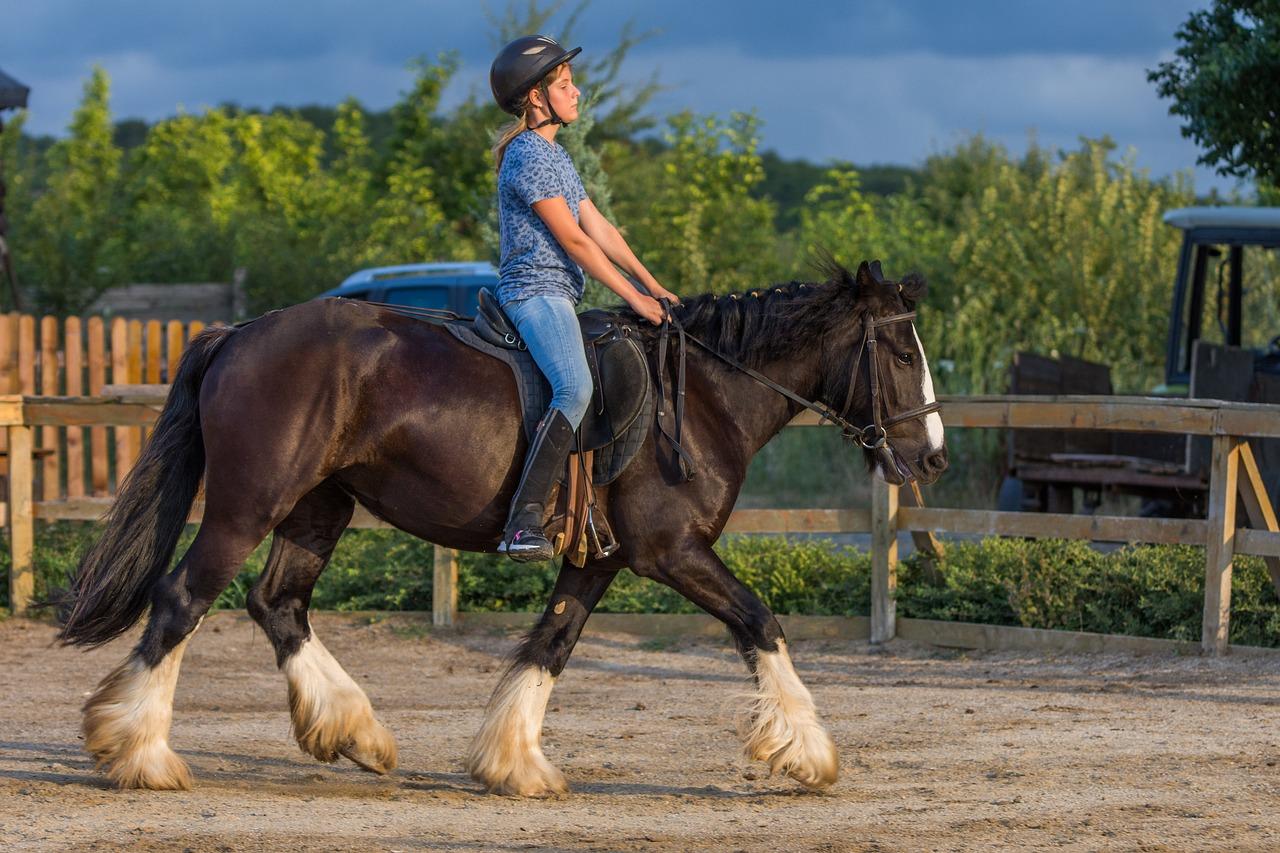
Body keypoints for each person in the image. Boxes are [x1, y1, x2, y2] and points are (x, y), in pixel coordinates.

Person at [489, 34, 678, 562]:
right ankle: (522, 522)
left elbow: (601, 229)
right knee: (574, 389)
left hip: (558, 293)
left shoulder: (556, 155)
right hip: (534, 291)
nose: (577, 93)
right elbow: (574, 241)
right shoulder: (527, 154)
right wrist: (634, 299)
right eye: (566, 85)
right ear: (536, 97)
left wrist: (652, 284)